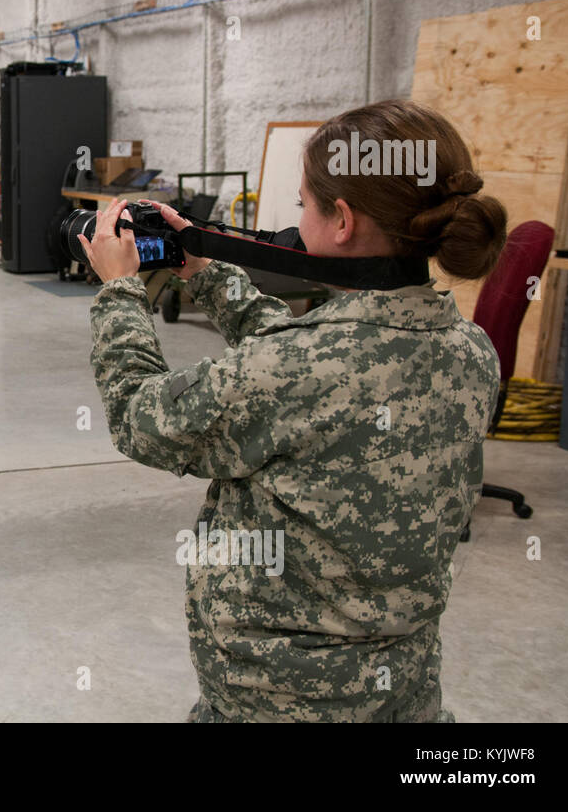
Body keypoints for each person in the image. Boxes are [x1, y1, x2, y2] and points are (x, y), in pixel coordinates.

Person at [79, 98, 507, 722]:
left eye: (303, 203)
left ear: (342, 221)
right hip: (403, 694)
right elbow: (318, 360)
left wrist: (120, 291)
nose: (295, 216)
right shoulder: (471, 351)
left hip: (273, 701)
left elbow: (139, 418)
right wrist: (206, 272)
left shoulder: (295, 369)